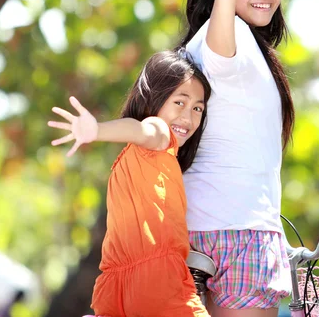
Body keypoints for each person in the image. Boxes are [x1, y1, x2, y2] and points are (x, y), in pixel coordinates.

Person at [177, 0, 295, 316]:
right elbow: (220, 58)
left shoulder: (230, 43)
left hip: (197, 230)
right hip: (239, 235)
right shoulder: (227, 36)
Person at [48, 50, 212, 317]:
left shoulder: (137, 158)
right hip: (158, 282)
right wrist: (97, 130)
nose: (188, 116)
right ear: (154, 98)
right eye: (179, 103)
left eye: (197, 108)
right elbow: (141, 129)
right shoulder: (158, 133)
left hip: (117, 288)